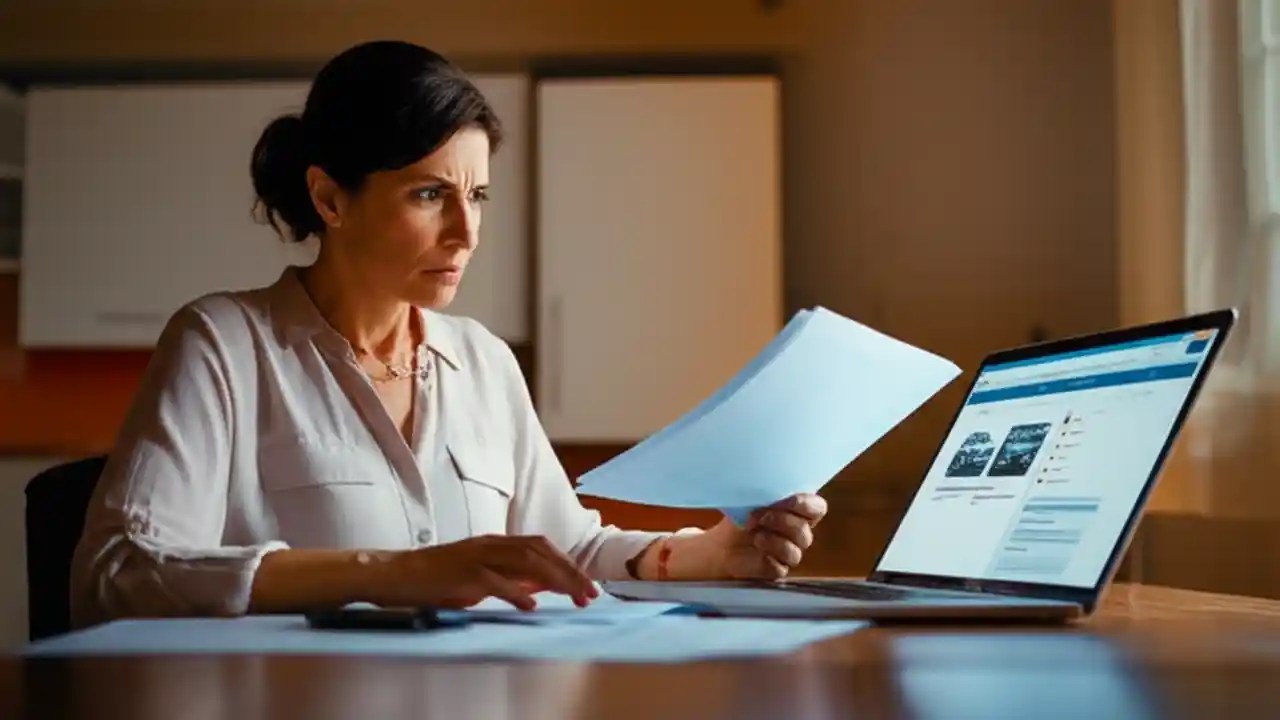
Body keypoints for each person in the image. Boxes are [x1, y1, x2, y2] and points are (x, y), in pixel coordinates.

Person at [70, 40, 826, 627]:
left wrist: (708, 552)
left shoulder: (484, 362)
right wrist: (393, 572)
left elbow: (567, 553)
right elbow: (119, 573)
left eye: (478, 195)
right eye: (430, 194)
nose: (466, 232)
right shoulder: (224, 344)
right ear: (330, 197)